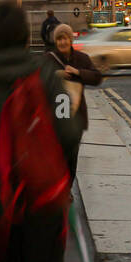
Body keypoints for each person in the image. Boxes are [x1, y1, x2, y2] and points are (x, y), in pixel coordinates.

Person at [0, 1, 83, 262]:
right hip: (45, 200)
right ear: (23, 35)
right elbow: (69, 131)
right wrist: (62, 178)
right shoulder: (47, 75)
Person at [46, 24, 103, 178]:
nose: (62, 43)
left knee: (71, 157)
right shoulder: (48, 59)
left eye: (64, 38)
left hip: (76, 116)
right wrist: (55, 75)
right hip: (55, 117)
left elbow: (97, 78)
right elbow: (38, 82)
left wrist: (78, 72)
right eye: (59, 39)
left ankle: (67, 188)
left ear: (70, 39)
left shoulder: (82, 59)